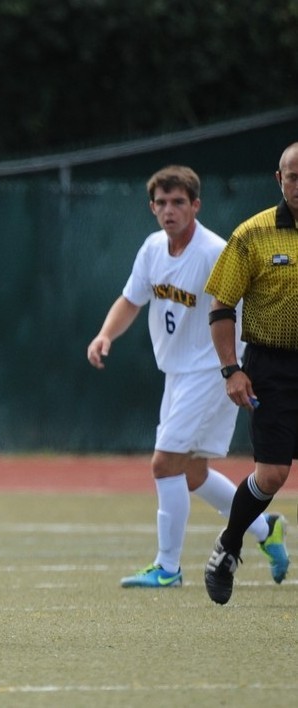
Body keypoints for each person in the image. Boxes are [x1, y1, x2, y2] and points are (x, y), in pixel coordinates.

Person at [87, 165, 289, 590]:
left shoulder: (214, 250)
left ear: (196, 205)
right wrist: (106, 334)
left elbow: (232, 307)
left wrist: (233, 368)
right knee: (193, 473)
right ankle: (263, 529)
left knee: (164, 463)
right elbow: (130, 299)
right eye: (161, 203)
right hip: (177, 374)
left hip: (212, 371)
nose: (169, 210)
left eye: (178, 201)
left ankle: (168, 567)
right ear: (152, 208)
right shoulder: (152, 249)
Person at [203, 143, 298, 605]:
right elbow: (221, 306)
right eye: (293, 176)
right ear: (278, 180)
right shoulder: (252, 234)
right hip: (272, 366)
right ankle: (230, 545)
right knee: (274, 473)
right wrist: (231, 370)